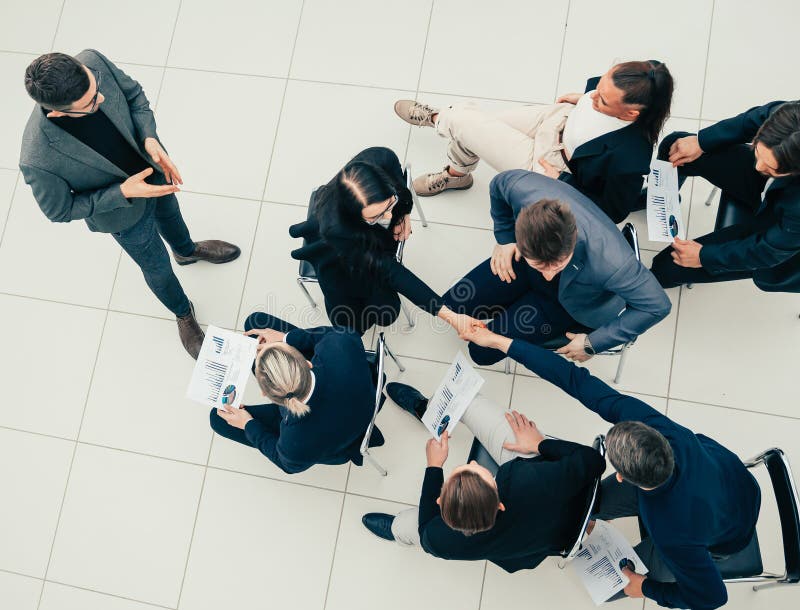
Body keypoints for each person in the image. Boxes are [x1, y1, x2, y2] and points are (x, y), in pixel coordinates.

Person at [462, 325, 761, 610]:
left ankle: (625, 582)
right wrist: (500, 342)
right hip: (733, 480)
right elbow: (575, 380)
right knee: (591, 502)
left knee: (616, 585)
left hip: (723, 536)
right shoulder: (668, 434)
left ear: (622, 476)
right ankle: (590, 516)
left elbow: (711, 597)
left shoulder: (674, 534)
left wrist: (643, 588)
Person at [19, 50, 240, 358]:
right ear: (57, 113)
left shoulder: (93, 62)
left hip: (154, 172)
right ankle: (182, 312)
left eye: (96, 88)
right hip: (122, 216)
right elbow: (59, 211)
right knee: (156, 267)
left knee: (173, 218)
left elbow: (134, 96)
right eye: (91, 103)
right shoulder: (38, 158)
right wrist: (122, 192)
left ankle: (186, 251)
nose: (102, 100)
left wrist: (150, 138)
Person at [361, 382, 605, 572]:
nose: (476, 461)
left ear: (440, 502)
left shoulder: (444, 539)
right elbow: (595, 461)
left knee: (408, 527)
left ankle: (396, 531)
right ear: (498, 502)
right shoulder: (530, 479)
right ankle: (429, 411)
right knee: (469, 403)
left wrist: (434, 466)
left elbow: (426, 530)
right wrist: (540, 445)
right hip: (551, 518)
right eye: (479, 470)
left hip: (542, 520)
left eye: (468, 468)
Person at [394, 60, 673, 222]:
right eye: (597, 90)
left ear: (631, 113)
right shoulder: (645, 77)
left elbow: (613, 211)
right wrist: (585, 101)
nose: (593, 97)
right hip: (556, 119)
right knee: (474, 132)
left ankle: (436, 117)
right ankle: (458, 174)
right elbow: (600, 94)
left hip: (549, 165)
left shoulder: (631, 158)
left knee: (464, 123)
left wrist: (562, 184)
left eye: (602, 99)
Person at [443, 169, 671, 366]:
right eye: (541, 264)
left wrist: (593, 343)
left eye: (557, 264)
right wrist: (505, 239)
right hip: (523, 267)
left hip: (572, 303)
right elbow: (498, 184)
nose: (550, 274)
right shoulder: (520, 187)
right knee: (451, 305)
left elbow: (657, 305)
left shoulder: (613, 263)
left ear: (572, 241)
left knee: (481, 352)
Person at [289, 146, 483, 335]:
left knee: (386, 310)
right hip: (339, 258)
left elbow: (396, 174)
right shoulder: (340, 233)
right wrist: (452, 317)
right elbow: (394, 272)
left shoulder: (379, 157)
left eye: (389, 205)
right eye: (376, 216)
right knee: (356, 321)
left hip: (363, 240)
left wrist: (403, 213)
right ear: (353, 216)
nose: (389, 217)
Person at [651, 101, 800, 292]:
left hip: (777, 232)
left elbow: (769, 251)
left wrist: (704, 257)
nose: (758, 167)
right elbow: (750, 121)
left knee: (669, 265)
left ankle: (637, 290)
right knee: (675, 147)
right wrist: (701, 142)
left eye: (771, 167)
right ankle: (656, 199)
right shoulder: (790, 119)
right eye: (758, 150)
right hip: (771, 187)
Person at [210, 311, 384, 474]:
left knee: (218, 418)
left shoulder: (293, 442)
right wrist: (286, 338)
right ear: (307, 363)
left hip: (334, 442)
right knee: (255, 323)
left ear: (265, 393)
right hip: (357, 395)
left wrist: (249, 425)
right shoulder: (340, 346)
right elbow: (338, 334)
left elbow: (286, 464)